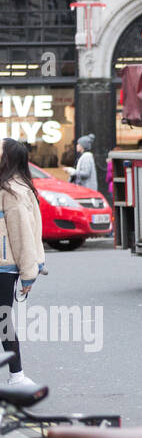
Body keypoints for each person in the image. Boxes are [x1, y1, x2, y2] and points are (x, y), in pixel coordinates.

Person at [0, 138, 46, 389]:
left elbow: (24, 236)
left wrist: (29, 273)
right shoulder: (9, 187)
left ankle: (17, 375)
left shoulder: (13, 192)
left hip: (4, 267)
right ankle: (16, 376)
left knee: (3, 320)